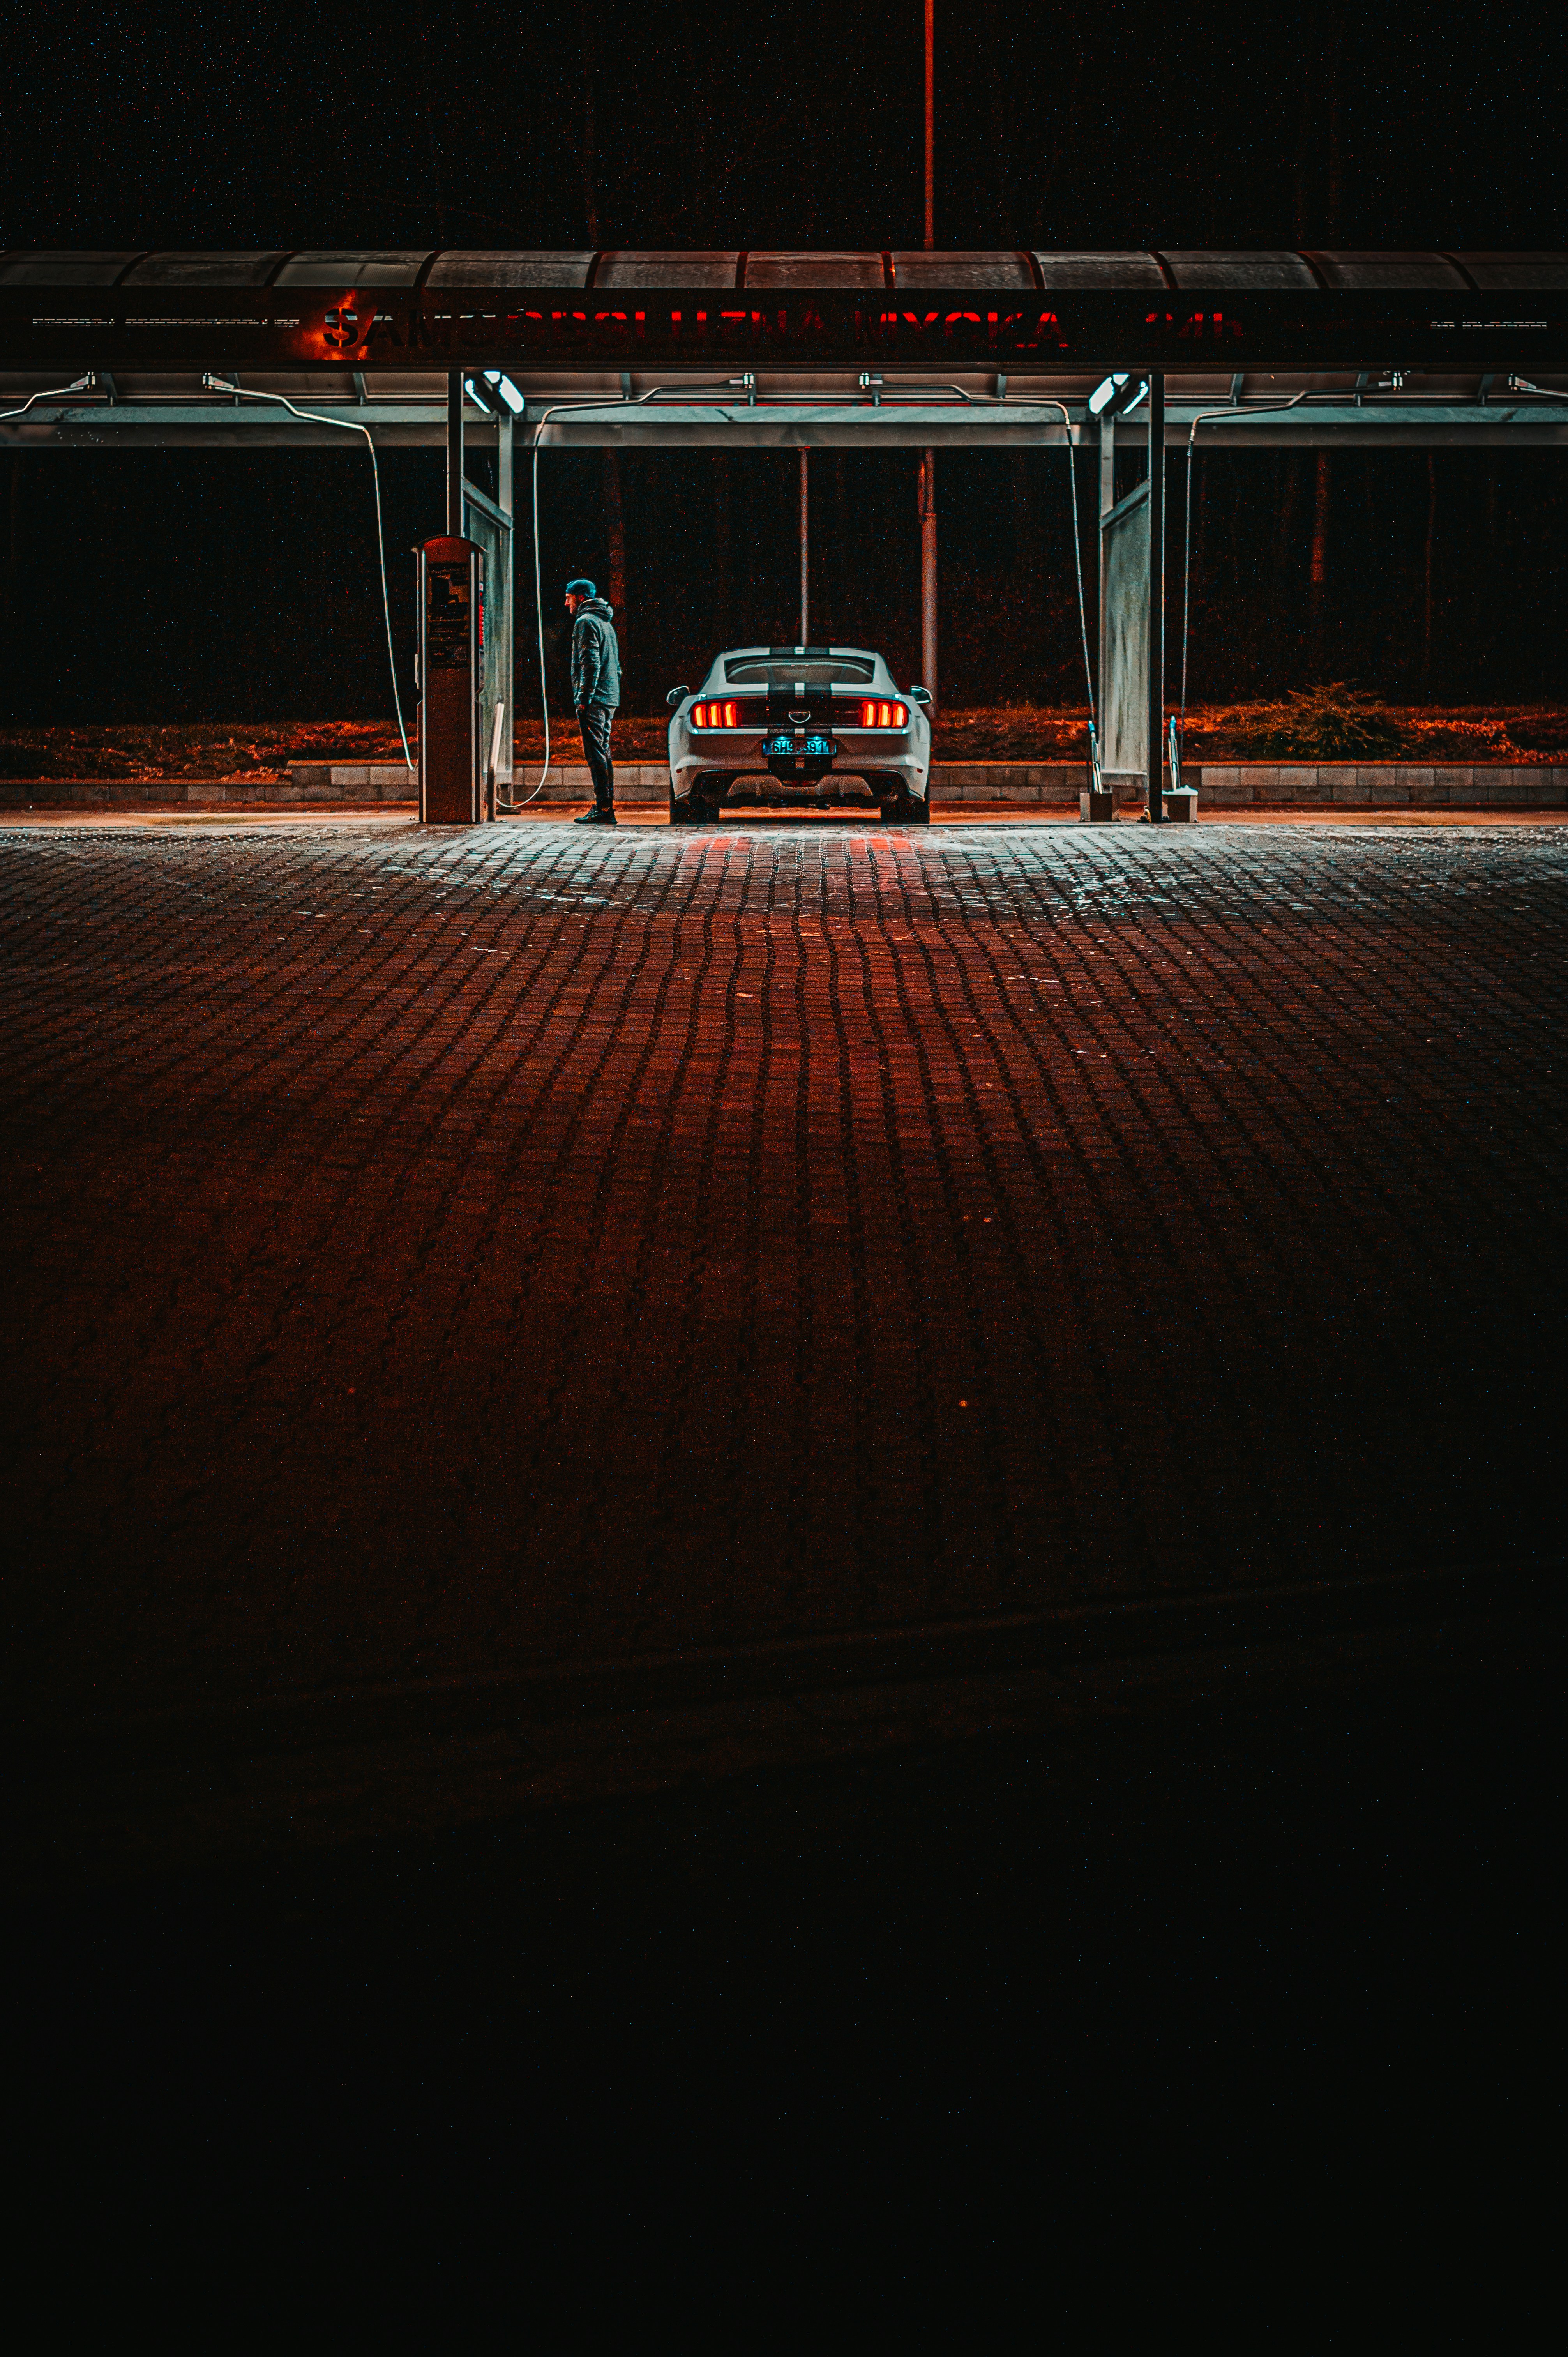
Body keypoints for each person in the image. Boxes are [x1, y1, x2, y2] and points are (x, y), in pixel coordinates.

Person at [564, 578, 622, 826]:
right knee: (603, 752)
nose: (566, 602)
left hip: (595, 699)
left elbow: (591, 663)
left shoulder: (585, 622)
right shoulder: (606, 623)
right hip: (609, 697)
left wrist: (583, 699)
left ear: (580, 598)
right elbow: (616, 666)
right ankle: (605, 806)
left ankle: (604, 808)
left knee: (595, 752)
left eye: (569, 597)